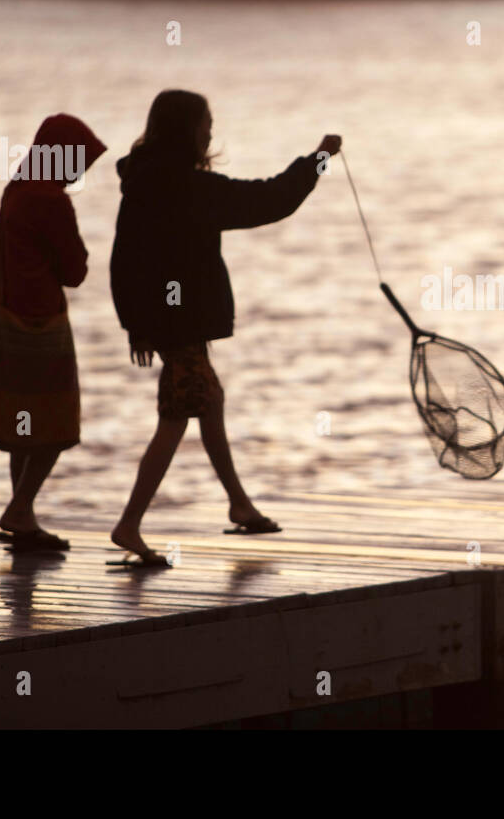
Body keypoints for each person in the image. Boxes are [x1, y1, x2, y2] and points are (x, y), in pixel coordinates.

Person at [109, 89, 339, 567]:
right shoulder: (187, 189)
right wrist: (317, 161)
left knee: (208, 402)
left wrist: (135, 324)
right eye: (205, 123)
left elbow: (123, 259)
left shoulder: (145, 184)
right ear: (186, 130)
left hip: (169, 321)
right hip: (179, 323)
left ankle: (239, 503)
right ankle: (129, 524)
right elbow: (268, 199)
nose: (210, 131)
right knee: (175, 419)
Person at [0, 114, 106, 551]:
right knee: (57, 424)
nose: (80, 173)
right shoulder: (50, 200)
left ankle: (22, 515)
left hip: (4, 318)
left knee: (23, 425)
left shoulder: (16, 190)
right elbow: (75, 270)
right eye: (80, 161)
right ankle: (19, 507)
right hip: (40, 324)